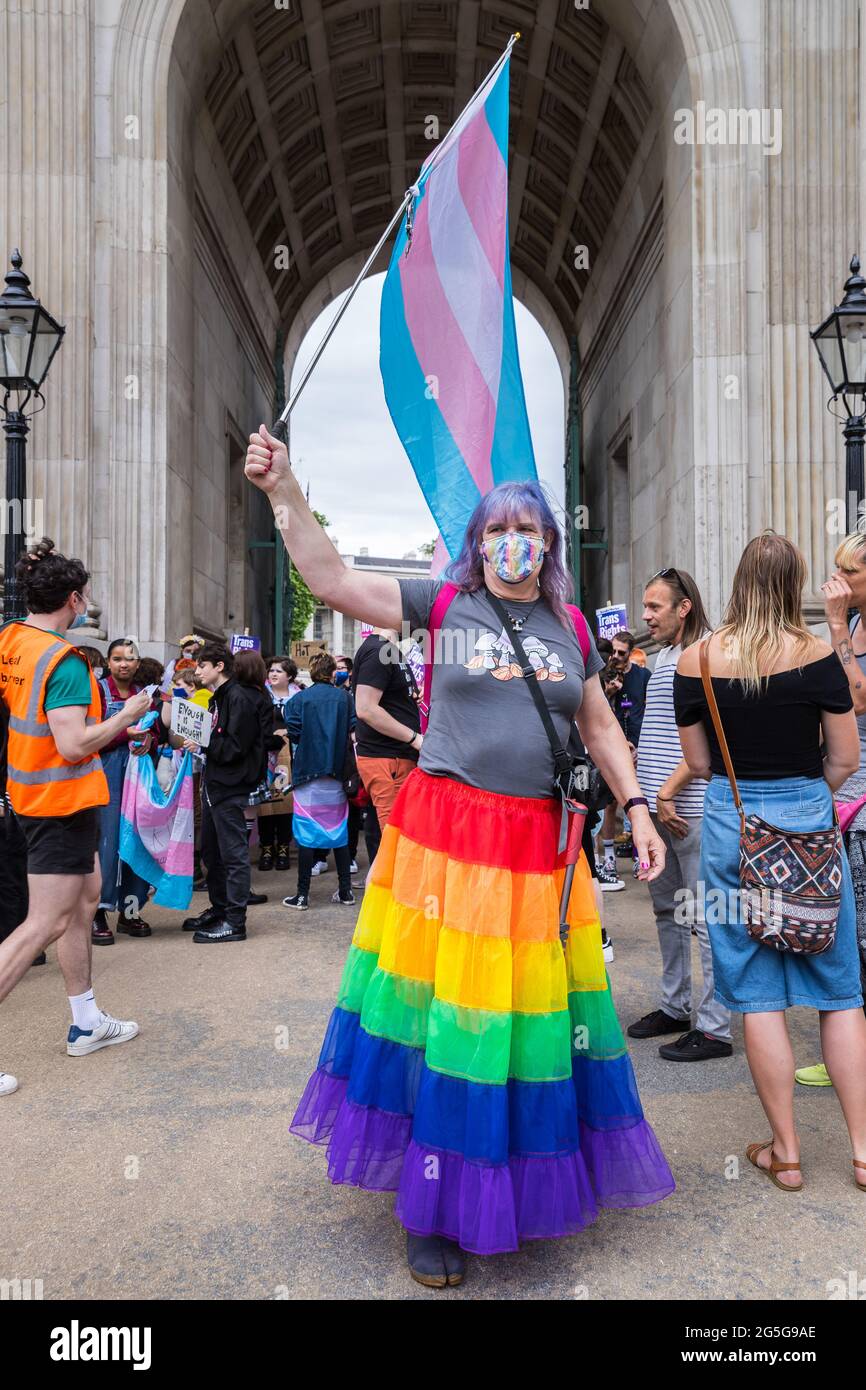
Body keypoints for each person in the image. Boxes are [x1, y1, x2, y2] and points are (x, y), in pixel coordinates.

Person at [245, 423, 673, 1288]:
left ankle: (505, 1171)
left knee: (526, 1019)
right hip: (449, 841)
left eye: (529, 530)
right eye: (495, 530)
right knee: (446, 1019)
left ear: (549, 543)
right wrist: (284, 491)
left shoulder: (572, 627)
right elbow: (327, 578)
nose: (512, 543)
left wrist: (638, 807)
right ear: (476, 544)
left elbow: (596, 725)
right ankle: (435, 1203)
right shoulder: (442, 607)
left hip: (540, 844)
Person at [675, 531, 866, 1191]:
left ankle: (785, 1153)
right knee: (839, 991)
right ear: (794, 585)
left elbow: (698, 765)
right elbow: (844, 759)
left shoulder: (695, 661)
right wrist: (805, 805)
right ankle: (864, 1152)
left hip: (733, 824)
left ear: (736, 582)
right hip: (810, 815)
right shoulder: (819, 658)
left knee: (758, 994)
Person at [0, 540, 149, 1095]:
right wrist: (125, 715)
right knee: (42, 924)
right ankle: (84, 1021)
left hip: (43, 799)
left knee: (86, 901)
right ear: (73, 597)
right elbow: (71, 742)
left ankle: (86, 1022)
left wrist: (112, 728)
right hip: (58, 803)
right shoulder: (62, 660)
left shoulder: (13, 639)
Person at [629, 568, 733, 1061]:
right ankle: (676, 1005)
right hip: (658, 811)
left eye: (655, 607)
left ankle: (715, 1029)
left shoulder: (707, 652)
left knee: (707, 921)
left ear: (684, 606)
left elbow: (712, 738)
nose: (645, 616)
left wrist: (667, 793)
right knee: (667, 911)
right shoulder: (665, 655)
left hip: (690, 810)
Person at [794, 533, 866, 1087]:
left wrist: (836, 625)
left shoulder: (850, 624)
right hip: (847, 799)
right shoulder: (858, 623)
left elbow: (859, 698)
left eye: (851, 573)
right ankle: (853, 1053)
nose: (838, 583)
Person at [181, 642, 271, 943]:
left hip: (231, 785)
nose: (197, 672)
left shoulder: (239, 697)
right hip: (218, 783)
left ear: (219, 666)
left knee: (232, 855)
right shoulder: (222, 697)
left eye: (201, 666)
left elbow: (235, 747)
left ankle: (235, 921)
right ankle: (221, 909)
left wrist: (204, 744)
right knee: (211, 851)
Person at [281, 651, 356, 911]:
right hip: (337, 773)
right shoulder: (345, 699)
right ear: (333, 672)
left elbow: (294, 731)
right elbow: (354, 729)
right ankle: (345, 890)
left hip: (307, 774)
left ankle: (302, 895)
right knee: (340, 832)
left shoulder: (298, 700)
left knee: (305, 835)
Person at [91, 638, 155, 945]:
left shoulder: (145, 696)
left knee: (137, 839)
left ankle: (130, 911)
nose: (123, 664)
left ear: (138, 664)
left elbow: (155, 731)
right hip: (107, 775)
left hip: (139, 777)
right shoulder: (98, 691)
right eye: (117, 658)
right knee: (107, 842)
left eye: (130, 659)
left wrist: (150, 739)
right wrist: (124, 733)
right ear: (108, 661)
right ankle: (97, 912)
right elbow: (88, 737)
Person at [352, 625, 421, 830]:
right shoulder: (378, 650)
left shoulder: (389, 649)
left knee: (400, 838)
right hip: (388, 760)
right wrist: (415, 739)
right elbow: (366, 709)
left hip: (396, 759)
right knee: (396, 839)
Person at [259, 657, 300, 871]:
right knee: (265, 801)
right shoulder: (261, 695)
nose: (273, 674)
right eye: (271, 670)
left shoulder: (298, 697)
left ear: (290, 676)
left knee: (285, 799)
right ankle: (266, 848)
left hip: (289, 756)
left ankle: (283, 847)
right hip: (265, 756)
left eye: (279, 671)